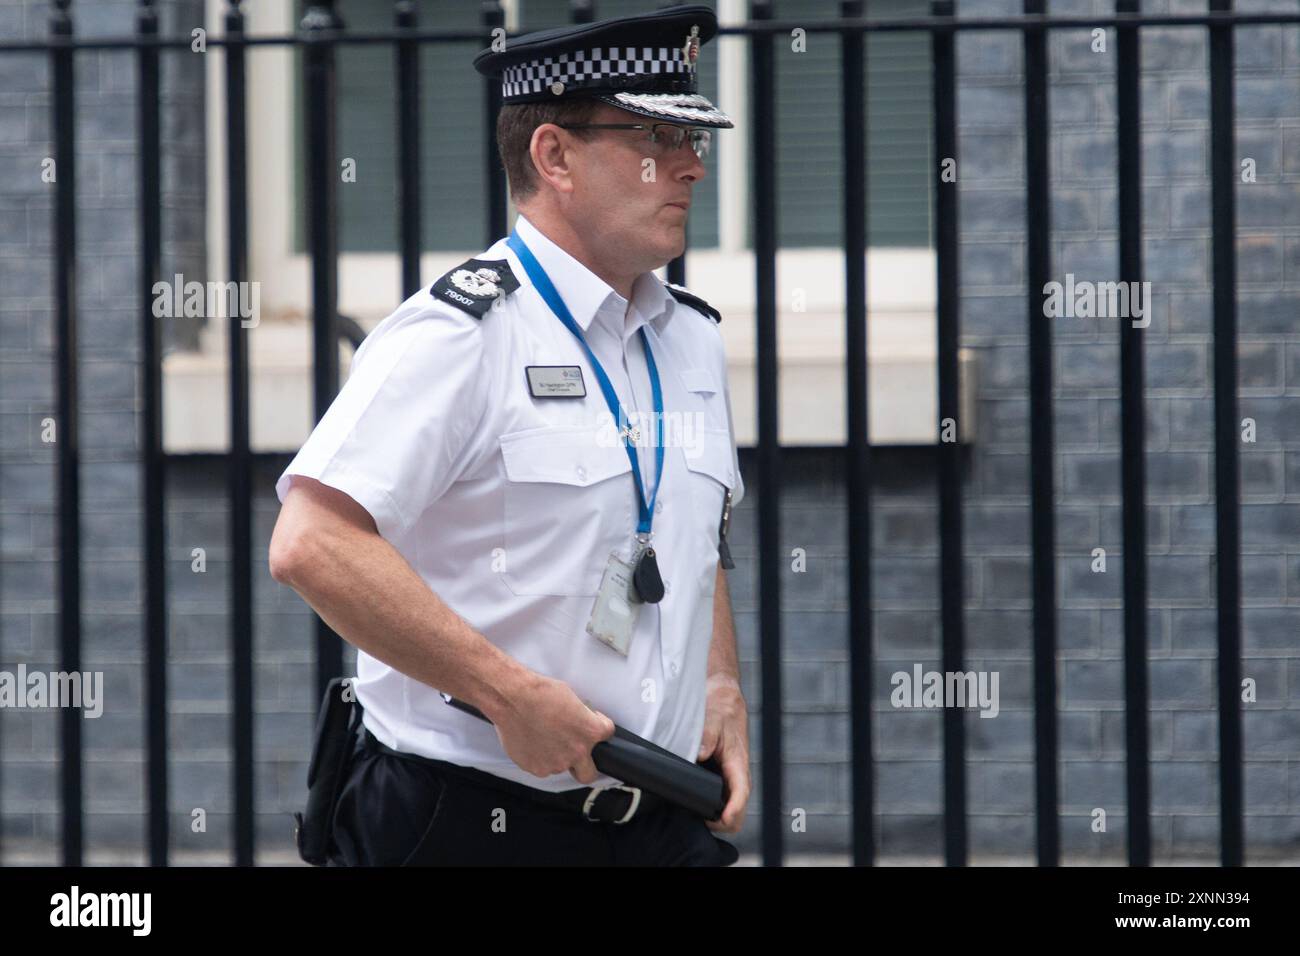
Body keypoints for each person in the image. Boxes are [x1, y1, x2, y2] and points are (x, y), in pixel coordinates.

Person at [269, 3, 749, 866]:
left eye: (695, 140)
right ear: (553, 156)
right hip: (470, 823)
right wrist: (507, 693)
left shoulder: (690, 337)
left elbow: (694, 537)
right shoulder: (459, 335)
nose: (691, 168)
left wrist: (718, 683)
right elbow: (312, 543)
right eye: (653, 140)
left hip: (660, 821)